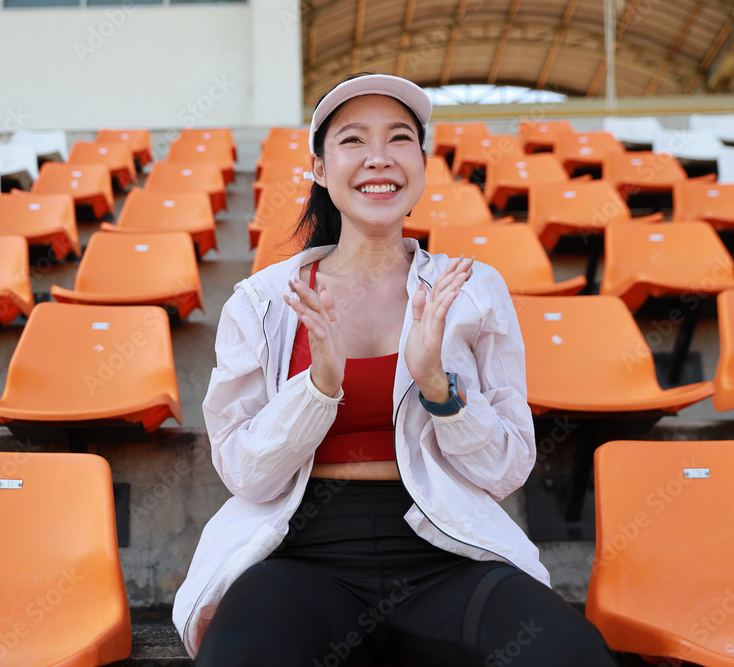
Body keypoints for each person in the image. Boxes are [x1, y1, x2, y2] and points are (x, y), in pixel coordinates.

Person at [172, 73, 618, 667]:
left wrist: (440, 390)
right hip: (301, 556)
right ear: (321, 169)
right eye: (353, 140)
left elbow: (506, 467)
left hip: (448, 552)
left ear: (423, 163)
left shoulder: (472, 290)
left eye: (399, 138)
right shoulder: (262, 301)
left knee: (568, 654)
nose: (378, 158)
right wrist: (319, 387)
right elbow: (244, 473)